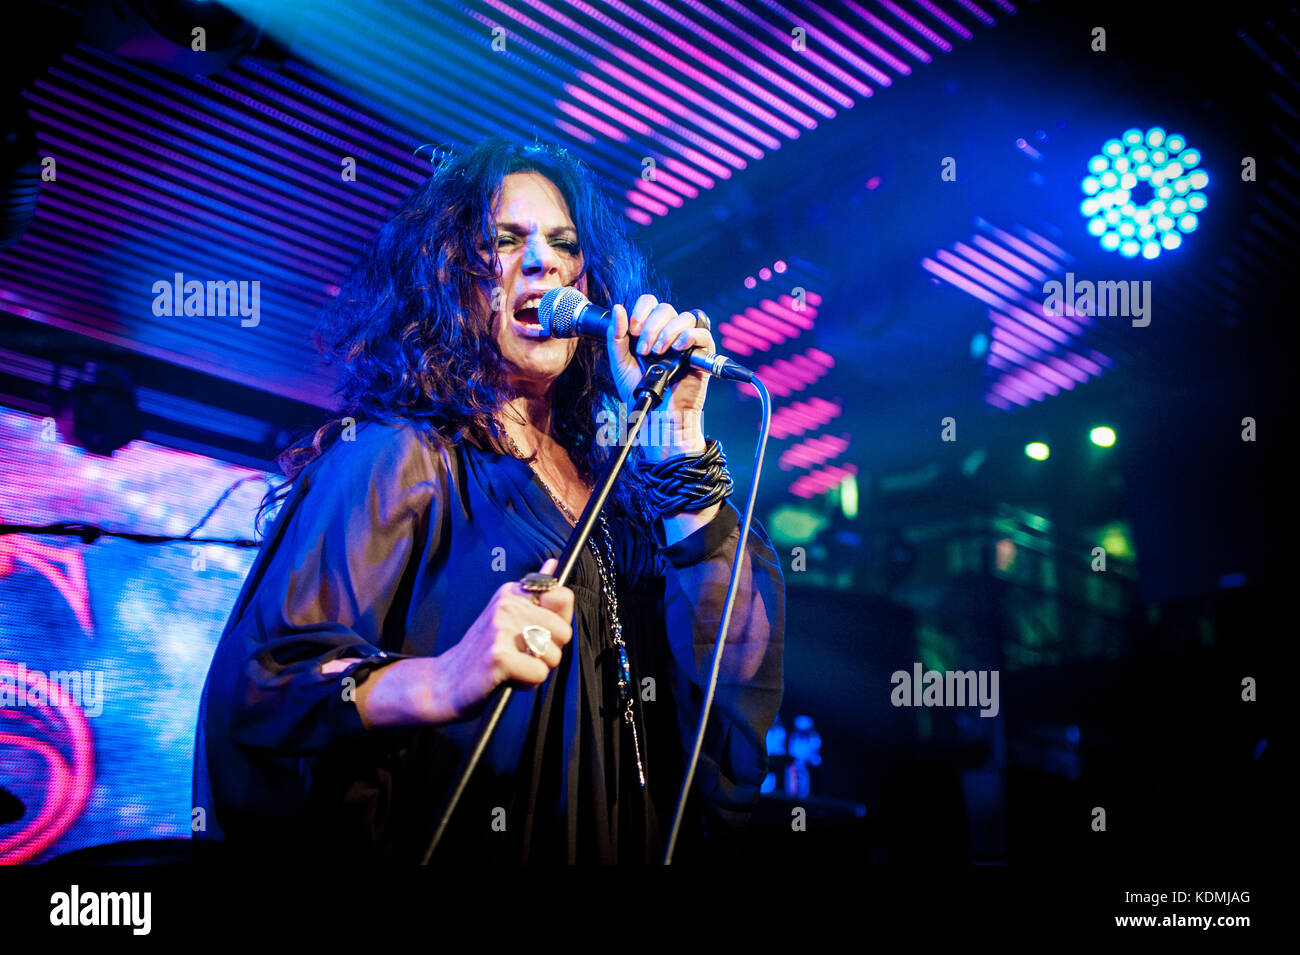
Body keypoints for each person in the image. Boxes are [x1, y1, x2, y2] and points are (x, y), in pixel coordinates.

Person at [192, 137, 784, 863]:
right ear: (446, 279)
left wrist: (675, 435)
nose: (543, 261)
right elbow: (264, 686)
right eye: (505, 241)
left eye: (564, 245)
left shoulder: (626, 489)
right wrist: (441, 679)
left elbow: (734, 687)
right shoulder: (398, 458)